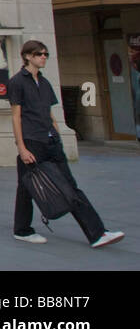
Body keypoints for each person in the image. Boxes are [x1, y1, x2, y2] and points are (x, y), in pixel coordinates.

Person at [10, 40, 124, 247]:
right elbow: (16, 117)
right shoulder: (17, 82)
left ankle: (97, 233)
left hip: (51, 142)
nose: (43, 57)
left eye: (46, 54)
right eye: (39, 54)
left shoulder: (44, 83)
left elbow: (49, 112)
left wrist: (57, 132)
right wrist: (22, 148)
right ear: (27, 56)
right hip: (32, 142)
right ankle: (22, 230)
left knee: (69, 187)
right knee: (27, 186)